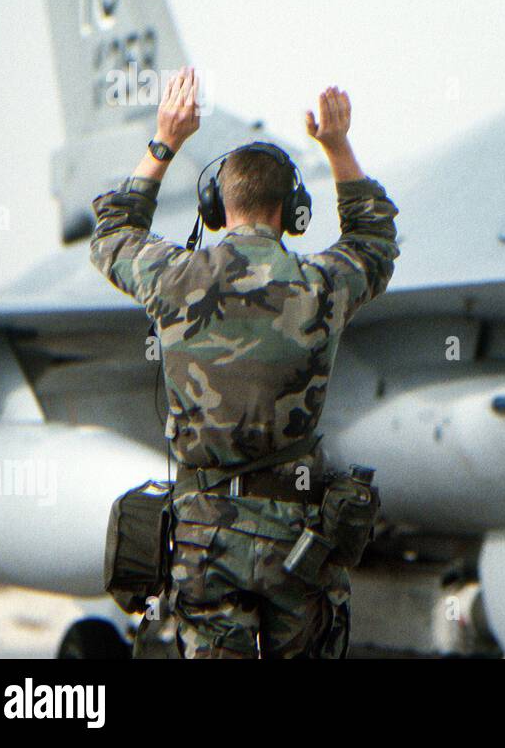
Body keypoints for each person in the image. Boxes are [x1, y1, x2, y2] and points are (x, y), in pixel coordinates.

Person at [90, 66, 399, 657]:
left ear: (214, 207)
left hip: (205, 541)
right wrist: (337, 147)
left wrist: (166, 141)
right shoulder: (321, 284)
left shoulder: (177, 277)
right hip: (300, 544)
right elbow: (374, 241)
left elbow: (112, 231)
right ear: (292, 211)